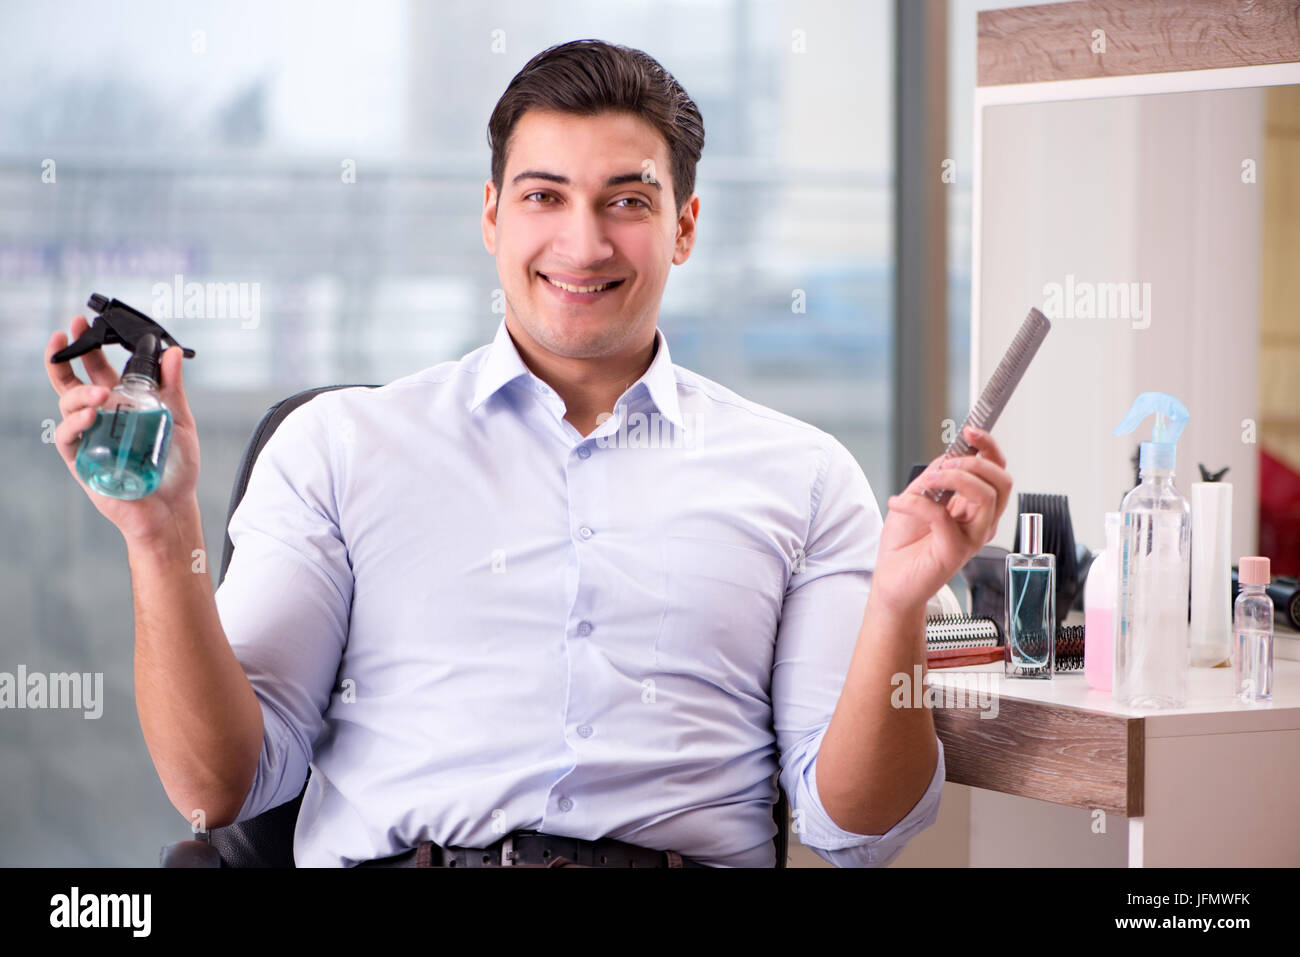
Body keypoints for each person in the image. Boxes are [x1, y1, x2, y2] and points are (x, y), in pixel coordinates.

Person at [43, 38, 1012, 868]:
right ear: (492, 217)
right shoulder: (339, 446)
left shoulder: (801, 475)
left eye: (626, 202)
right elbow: (219, 789)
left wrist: (898, 604)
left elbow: (857, 827)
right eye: (544, 195)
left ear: (682, 227)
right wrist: (161, 537)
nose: (582, 243)